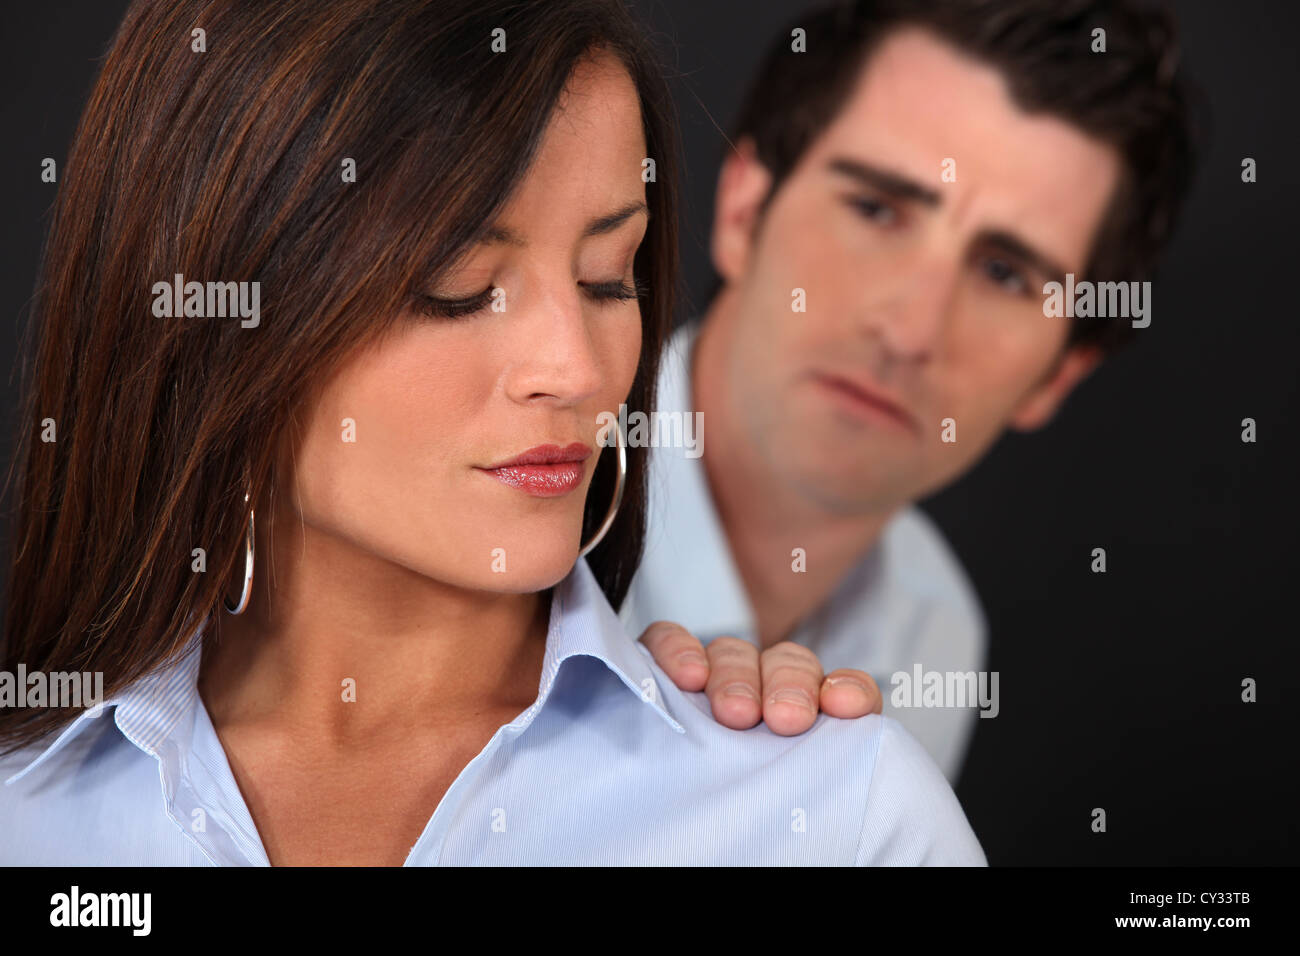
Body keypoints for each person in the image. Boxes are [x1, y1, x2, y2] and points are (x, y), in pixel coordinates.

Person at [0, 0, 983, 865]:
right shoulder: (24, 810)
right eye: (458, 288)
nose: (578, 368)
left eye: (609, 276)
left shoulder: (838, 817)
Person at [627, 0, 1196, 782]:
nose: (911, 331)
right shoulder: (512, 524)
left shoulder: (937, 638)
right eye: (875, 209)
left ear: (1058, 375)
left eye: (1005, 273)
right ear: (743, 209)